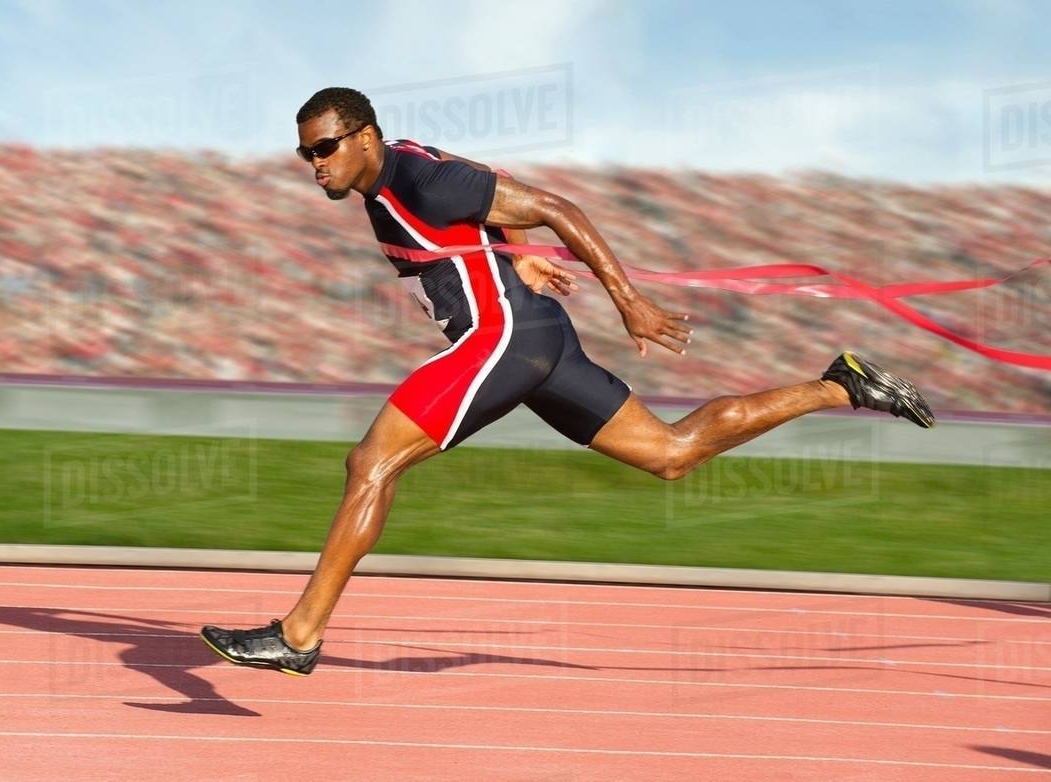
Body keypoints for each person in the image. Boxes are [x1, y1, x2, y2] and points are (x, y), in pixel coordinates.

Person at [200, 87, 935, 676]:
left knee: (372, 462)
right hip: (535, 341)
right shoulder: (392, 182)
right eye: (304, 154)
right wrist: (514, 256)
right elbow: (494, 214)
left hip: (508, 338)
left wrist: (630, 303)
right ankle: (842, 385)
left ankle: (299, 635)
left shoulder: (419, 175)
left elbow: (556, 207)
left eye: (324, 147)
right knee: (672, 453)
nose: (315, 164)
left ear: (364, 136)